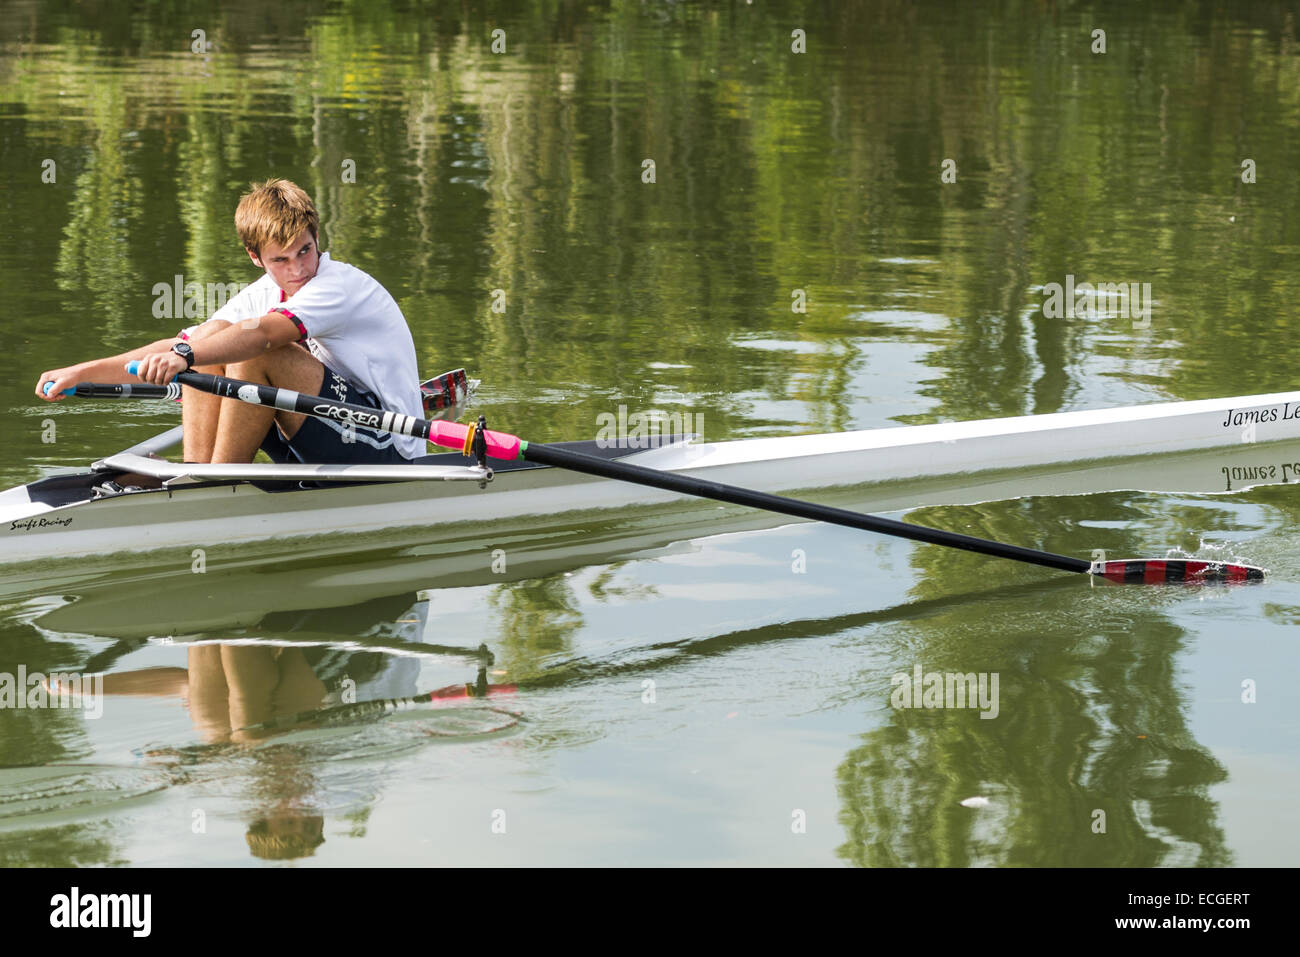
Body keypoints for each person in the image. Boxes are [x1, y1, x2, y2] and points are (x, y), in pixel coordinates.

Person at [36, 178, 423, 465]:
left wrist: (186, 356)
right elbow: (184, 344)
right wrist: (82, 371)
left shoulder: (339, 284)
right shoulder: (263, 293)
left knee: (254, 350)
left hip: (384, 443)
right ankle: (197, 472)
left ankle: (216, 483)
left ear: (316, 236)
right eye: (281, 260)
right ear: (255, 257)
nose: (299, 268)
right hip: (327, 431)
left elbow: (265, 337)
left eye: (305, 250)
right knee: (213, 336)